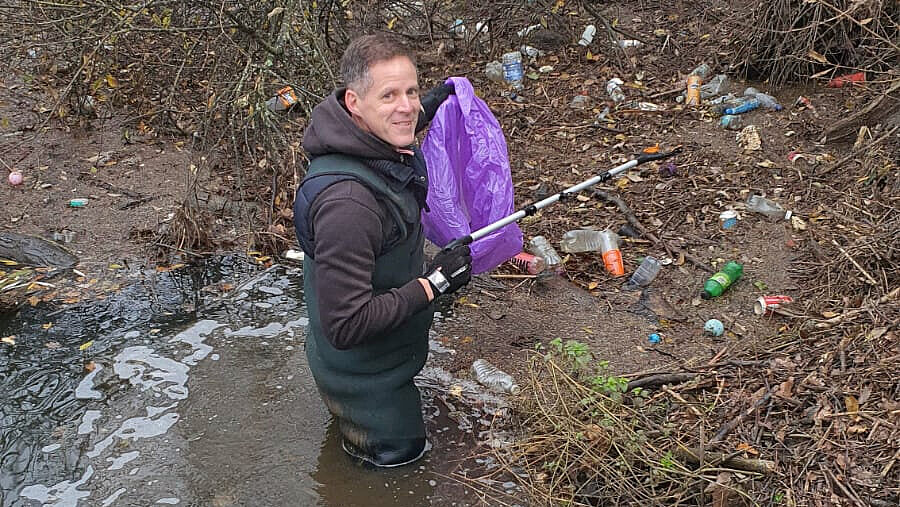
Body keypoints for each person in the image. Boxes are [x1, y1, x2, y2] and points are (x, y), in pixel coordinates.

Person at [293, 33, 473, 467]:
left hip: (382, 360)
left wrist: (434, 100)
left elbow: (401, 117)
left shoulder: (364, 134)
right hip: (364, 380)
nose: (406, 106)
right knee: (398, 464)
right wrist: (435, 284)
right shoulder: (348, 205)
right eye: (389, 94)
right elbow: (347, 324)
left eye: (410, 91)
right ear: (354, 102)